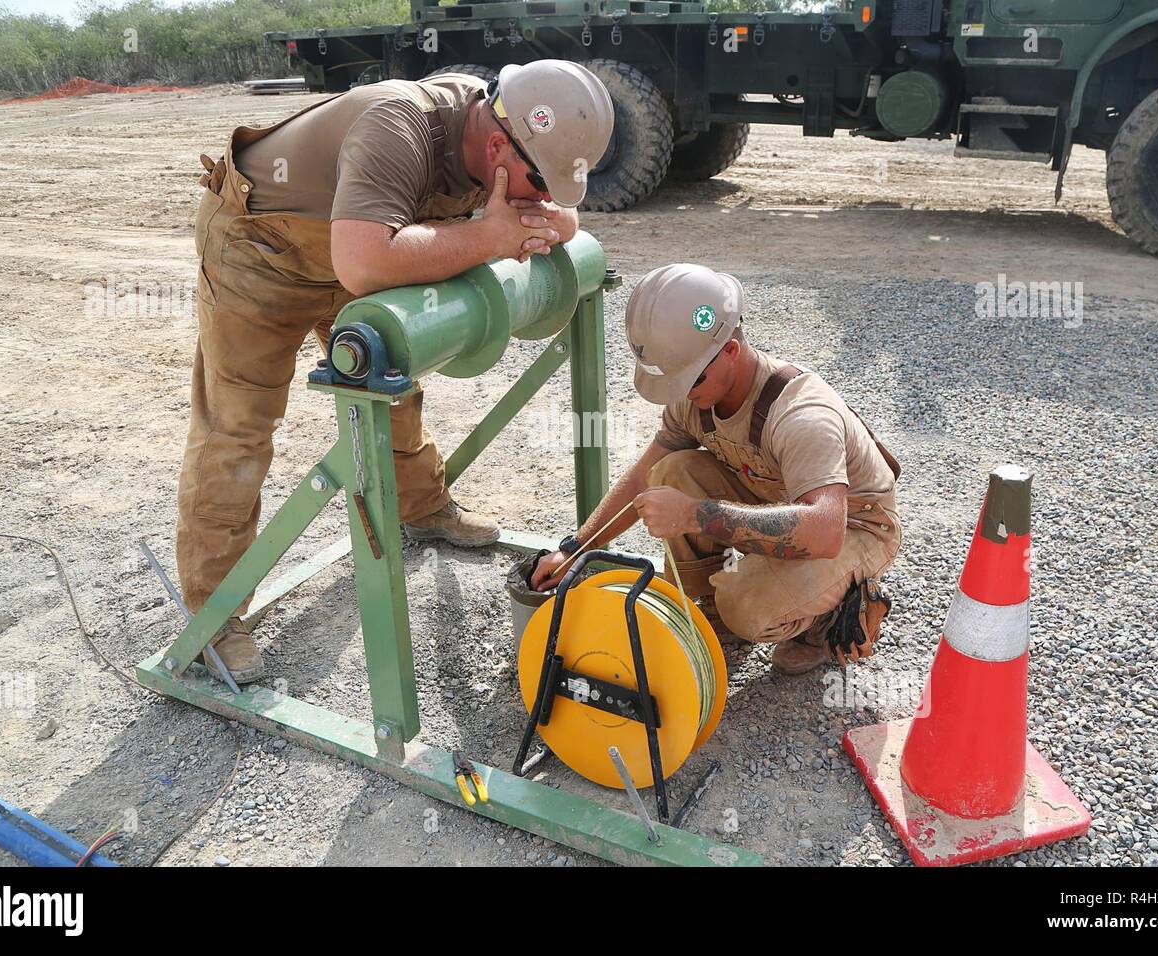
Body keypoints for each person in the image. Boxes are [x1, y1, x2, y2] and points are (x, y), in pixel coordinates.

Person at [178, 61, 614, 682]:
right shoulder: (399, 125)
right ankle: (212, 618)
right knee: (239, 427)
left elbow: (563, 222)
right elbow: (364, 262)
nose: (541, 200)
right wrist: (493, 237)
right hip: (262, 250)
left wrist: (545, 216)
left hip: (355, 245)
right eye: (539, 183)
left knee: (391, 378)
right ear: (497, 147)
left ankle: (422, 505)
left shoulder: (505, 132)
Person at [533, 264, 901, 674]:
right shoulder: (696, 392)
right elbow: (642, 476)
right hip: (778, 500)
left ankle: (822, 619)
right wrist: (575, 549)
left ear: (730, 351)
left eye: (689, 380)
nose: (681, 393)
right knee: (671, 472)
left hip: (854, 526)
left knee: (745, 603)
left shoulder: (802, 416)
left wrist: (694, 515)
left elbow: (824, 531)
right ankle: (713, 614)